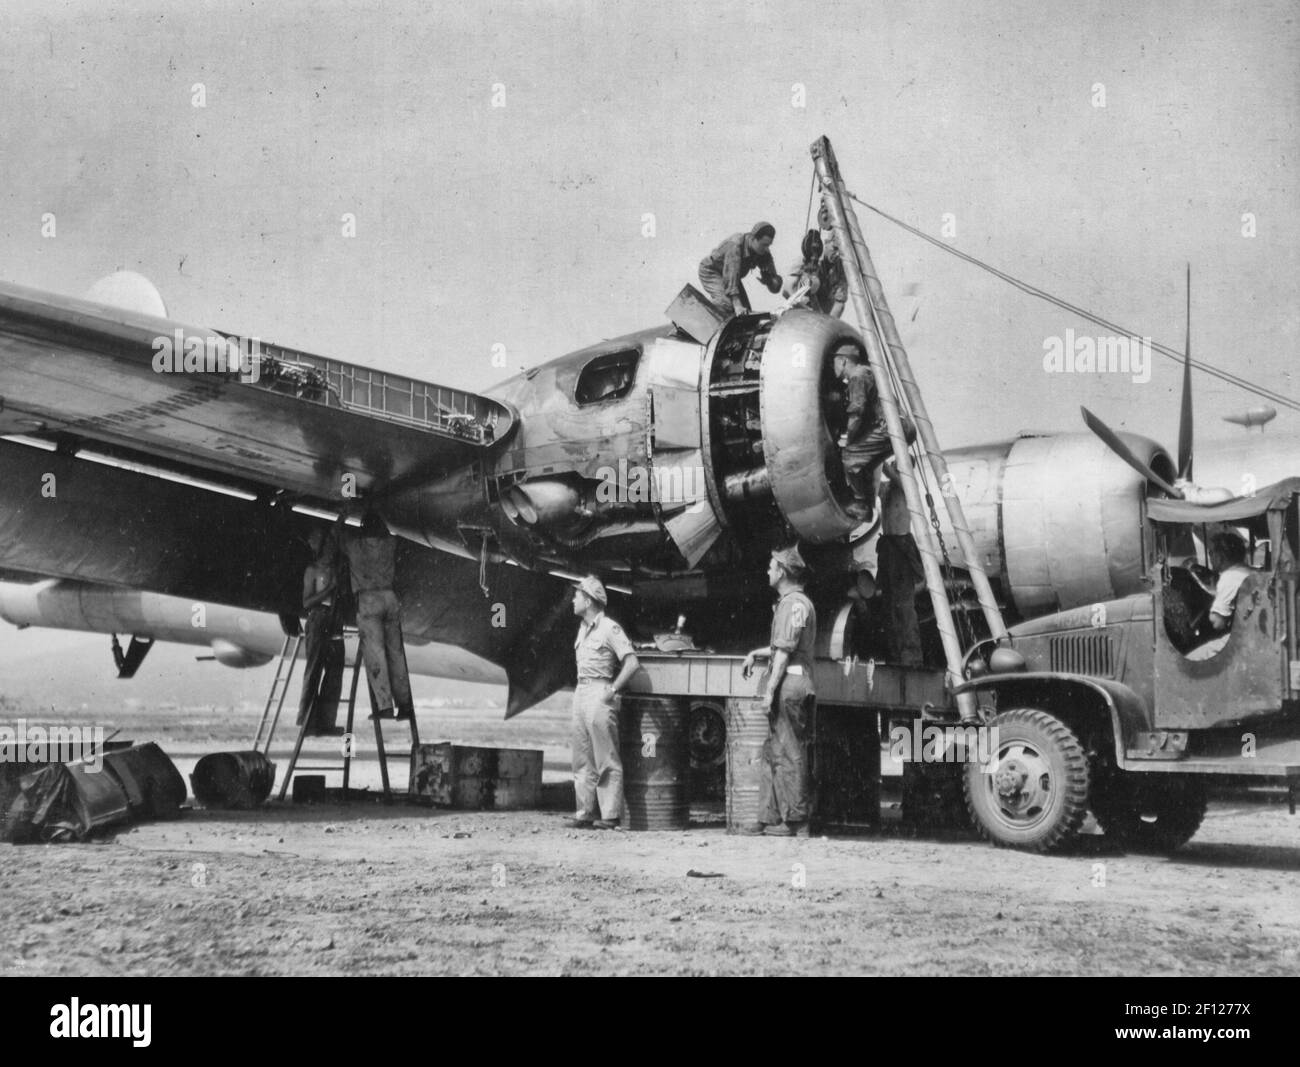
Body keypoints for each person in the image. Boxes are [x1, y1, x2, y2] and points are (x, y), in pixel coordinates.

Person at [740, 546, 817, 837]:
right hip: (794, 680)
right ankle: (770, 817)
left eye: (772, 567)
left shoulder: (791, 604)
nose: (767, 571)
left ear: (783, 572)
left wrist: (770, 691)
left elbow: (784, 653)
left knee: (789, 752)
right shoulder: (797, 603)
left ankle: (796, 821)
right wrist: (756, 654)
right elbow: (781, 647)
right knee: (775, 750)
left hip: (788, 683)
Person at [568, 575, 640, 830]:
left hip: (599, 691)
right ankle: (585, 812)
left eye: (577, 595)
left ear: (588, 600)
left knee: (606, 756)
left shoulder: (609, 628)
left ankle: (610, 815)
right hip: (581, 691)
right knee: (581, 756)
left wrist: (612, 689)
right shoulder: (583, 629)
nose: (573, 599)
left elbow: (631, 662)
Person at [343, 510, 414, 721]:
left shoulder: (354, 546)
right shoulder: (390, 544)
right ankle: (405, 705)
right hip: (389, 597)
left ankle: (384, 706)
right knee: (396, 654)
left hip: (368, 600)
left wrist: (343, 514)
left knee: (376, 654)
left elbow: (336, 536)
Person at [296, 524, 346, 736]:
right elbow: (307, 602)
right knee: (314, 669)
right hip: (318, 618)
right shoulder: (313, 570)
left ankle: (326, 721)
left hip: (334, 619)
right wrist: (329, 589)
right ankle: (307, 721)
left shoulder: (335, 569)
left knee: (335, 670)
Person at [833, 348, 890, 522]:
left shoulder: (857, 376)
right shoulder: (868, 371)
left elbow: (857, 412)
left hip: (889, 429)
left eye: (833, 361)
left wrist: (848, 441)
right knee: (863, 461)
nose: (831, 366)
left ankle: (861, 506)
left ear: (843, 361)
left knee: (850, 457)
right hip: (895, 427)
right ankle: (867, 503)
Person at [877, 456, 924, 666]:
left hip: (901, 545)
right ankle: (894, 655)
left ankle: (911, 657)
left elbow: (887, 472)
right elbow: (874, 483)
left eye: (899, 463)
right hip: (888, 546)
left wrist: (878, 458)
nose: (895, 465)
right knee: (888, 605)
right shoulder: (887, 488)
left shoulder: (907, 484)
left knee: (904, 605)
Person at [698, 221, 782, 320]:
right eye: (764, 245)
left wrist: (770, 281)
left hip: (732, 276)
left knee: (747, 313)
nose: (766, 249)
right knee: (728, 305)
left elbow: (775, 287)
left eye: (769, 245)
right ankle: (697, 315)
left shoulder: (764, 251)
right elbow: (731, 276)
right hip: (712, 271)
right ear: (753, 238)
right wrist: (737, 305)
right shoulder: (735, 245)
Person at [1189, 531, 1258, 632]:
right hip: (1254, 625)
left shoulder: (1229, 577)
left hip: (1244, 632)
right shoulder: (1248, 571)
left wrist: (1211, 604)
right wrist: (1216, 593)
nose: (1210, 556)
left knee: (1203, 647)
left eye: (1211, 552)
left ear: (1221, 556)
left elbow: (1218, 622)